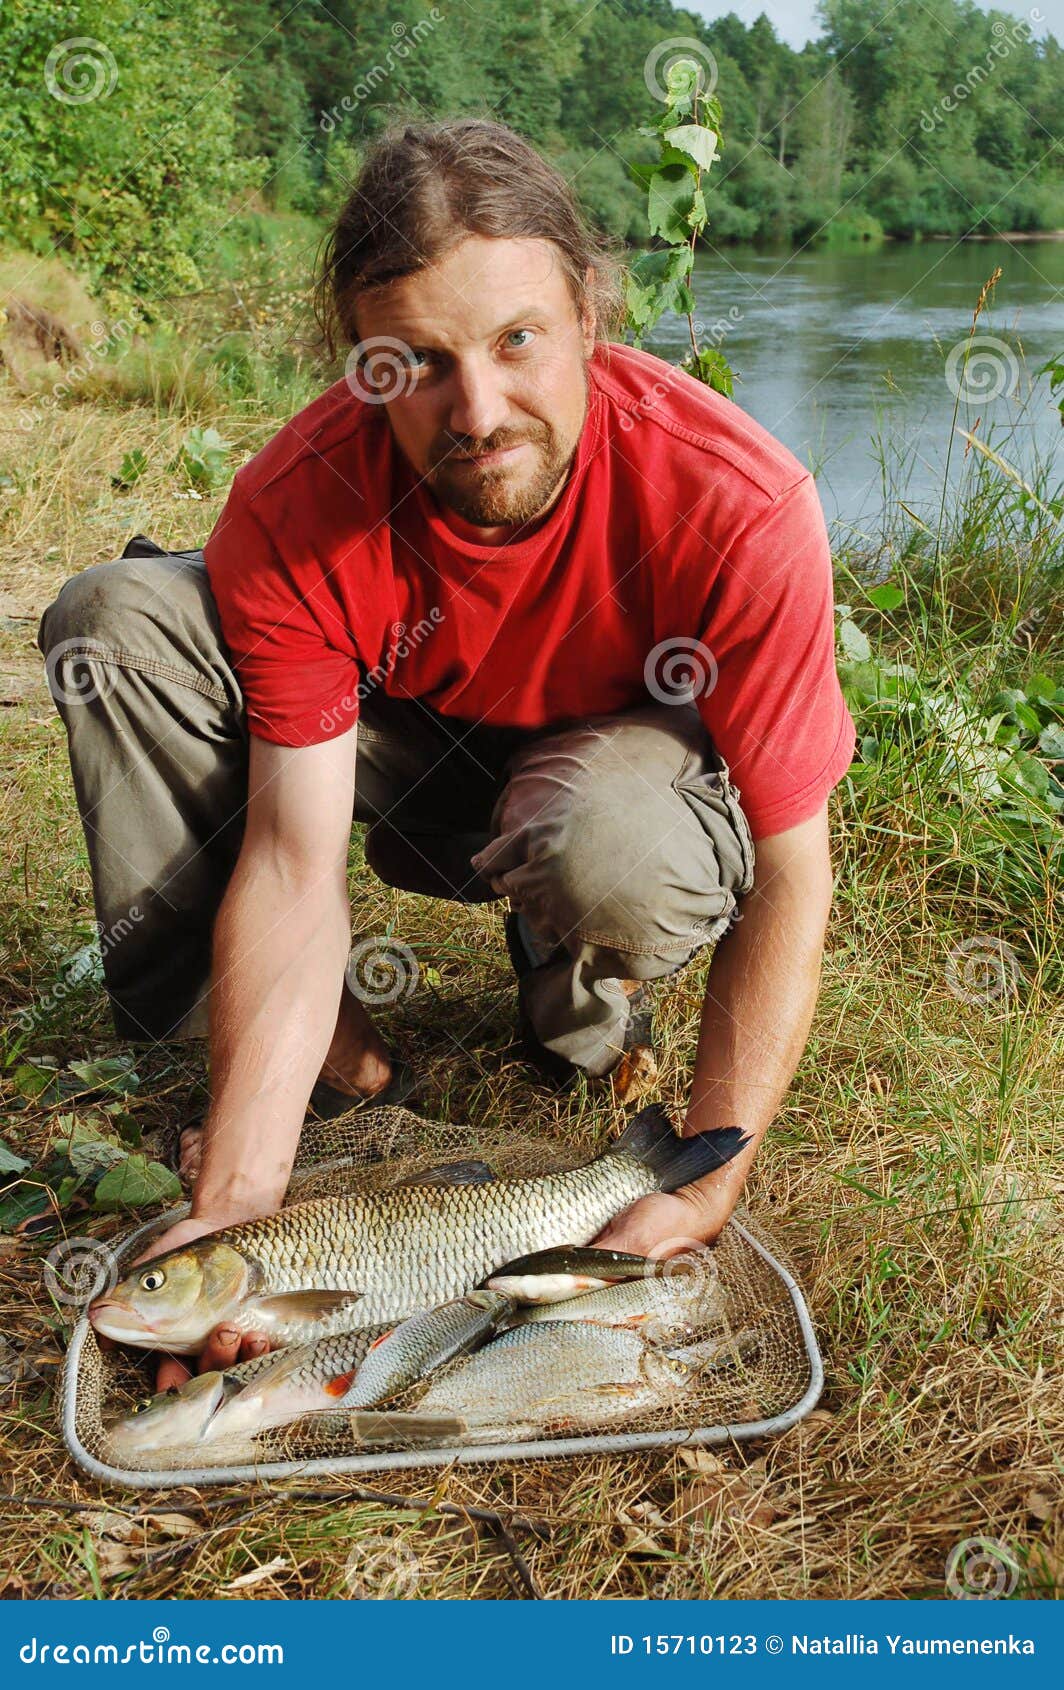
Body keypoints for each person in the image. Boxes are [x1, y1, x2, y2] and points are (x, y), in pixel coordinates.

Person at [39, 119, 854, 1389]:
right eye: (414, 363)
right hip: (413, 756)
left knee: (612, 840)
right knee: (118, 624)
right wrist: (249, 1198)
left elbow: (795, 875)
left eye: (514, 340)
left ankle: (574, 991)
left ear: (589, 308)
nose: (474, 412)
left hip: (608, 786)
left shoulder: (736, 501)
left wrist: (710, 1169)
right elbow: (295, 853)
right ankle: (313, 1075)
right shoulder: (297, 502)